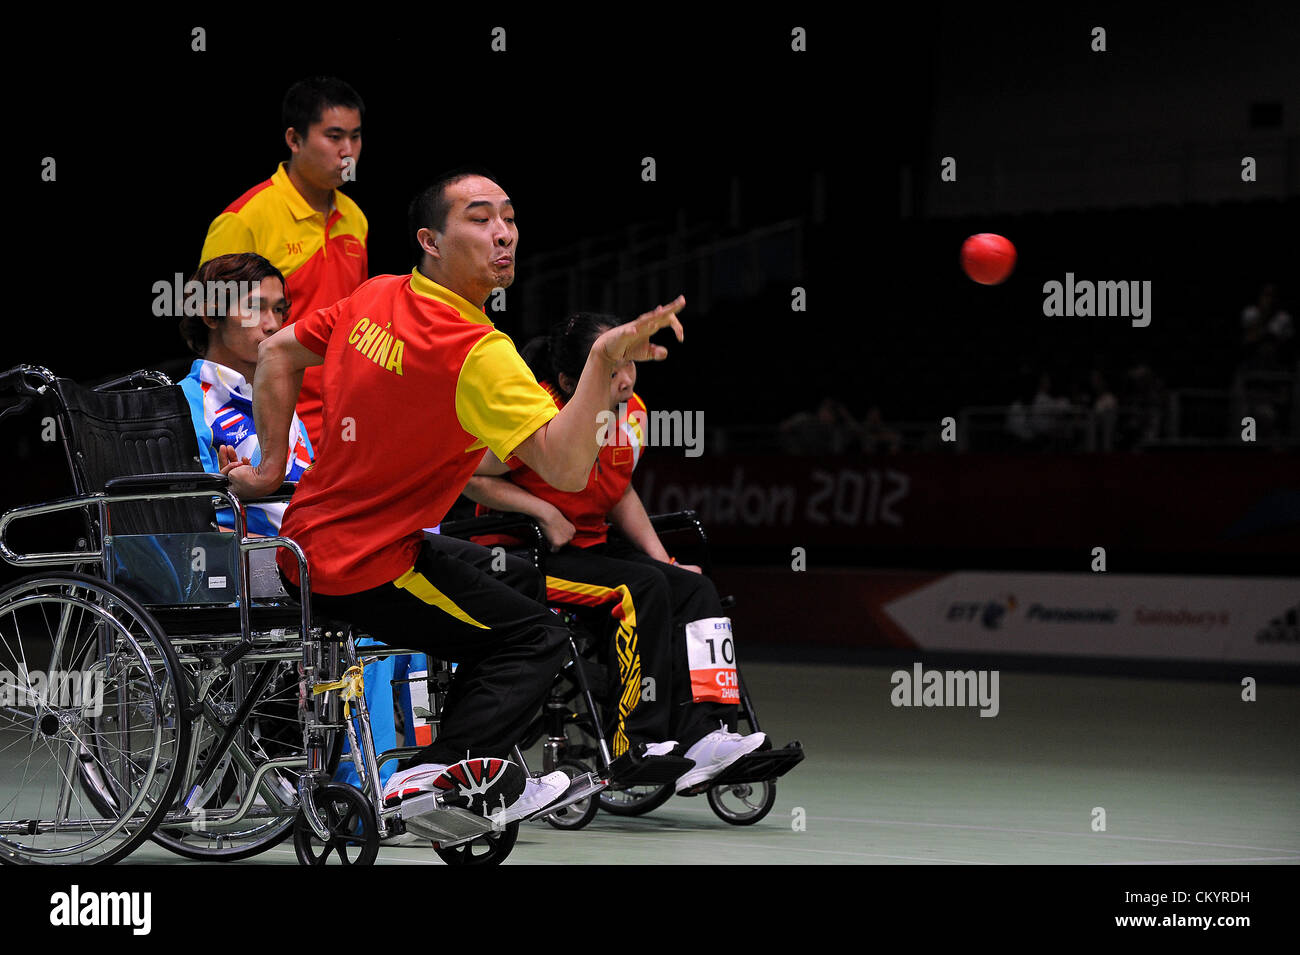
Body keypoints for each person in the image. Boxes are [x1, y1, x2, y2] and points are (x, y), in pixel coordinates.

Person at [221, 168, 686, 822]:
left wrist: (270, 470)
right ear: (430, 240)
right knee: (536, 640)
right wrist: (602, 362)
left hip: (313, 538)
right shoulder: (480, 354)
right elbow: (567, 466)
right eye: (479, 217)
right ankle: (435, 770)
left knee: (519, 584)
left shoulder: (375, 295)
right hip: (362, 566)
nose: (503, 233)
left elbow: (276, 354)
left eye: (510, 217)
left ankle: (487, 762)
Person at [465, 313, 766, 794]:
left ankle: (706, 733)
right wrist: (542, 510)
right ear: (570, 380)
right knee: (638, 589)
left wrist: (664, 558)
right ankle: (635, 745)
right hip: (522, 556)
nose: (625, 377)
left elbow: (621, 492)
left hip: (589, 550)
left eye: (630, 363)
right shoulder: (538, 412)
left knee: (693, 587)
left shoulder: (635, 412)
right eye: (612, 368)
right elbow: (470, 475)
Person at [177, 251, 418, 799]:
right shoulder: (188, 403)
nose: (273, 322)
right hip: (245, 565)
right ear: (211, 316)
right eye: (255, 307)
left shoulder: (281, 404)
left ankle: (416, 775)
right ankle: (364, 791)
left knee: (415, 589)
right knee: (373, 613)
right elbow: (186, 512)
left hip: (302, 555)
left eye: (280, 308)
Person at [200, 77, 368, 449]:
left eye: (355, 137)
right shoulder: (245, 219)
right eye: (334, 136)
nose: (347, 152)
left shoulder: (355, 219)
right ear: (294, 139)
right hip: (272, 419)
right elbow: (215, 328)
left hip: (344, 415)